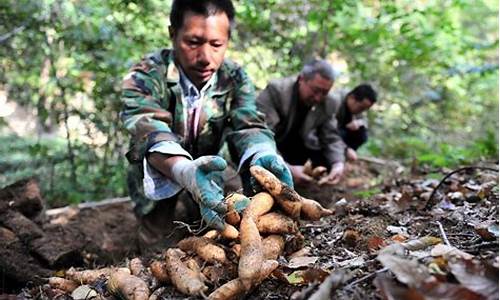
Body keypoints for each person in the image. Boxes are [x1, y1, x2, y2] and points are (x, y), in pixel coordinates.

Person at [120, 0, 292, 252]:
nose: (205, 57)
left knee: (226, 221)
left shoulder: (234, 77)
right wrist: (185, 172)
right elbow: (149, 129)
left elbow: (248, 123)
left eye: (216, 45)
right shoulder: (146, 75)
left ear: (228, 41)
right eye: (193, 42)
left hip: (210, 166)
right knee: (155, 238)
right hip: (161, 169)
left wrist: (262, 152)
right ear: (172, 34)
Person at [256, 60, 347, 186]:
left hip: (298, 144)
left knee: (323, 157)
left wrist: (338, 164)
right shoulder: (276, 91)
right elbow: (261, 134)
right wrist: (283, 166)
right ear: (301, 79)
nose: (318, 98)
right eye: (315, 90)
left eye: (324, 93)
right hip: (271, 143)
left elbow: (331, 137)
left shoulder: (330, 103)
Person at [334, 84, 377, 162]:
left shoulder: (358, 108)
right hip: (330, 133)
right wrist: (346, 148)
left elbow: (364, 122)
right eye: (361, 108)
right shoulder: (335, 101)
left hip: (342, 132)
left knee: (362, 133)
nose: (362, 111)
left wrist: (359, 122)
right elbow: (327, 130)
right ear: (352, 98)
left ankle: (342, 158)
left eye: (365, 109)